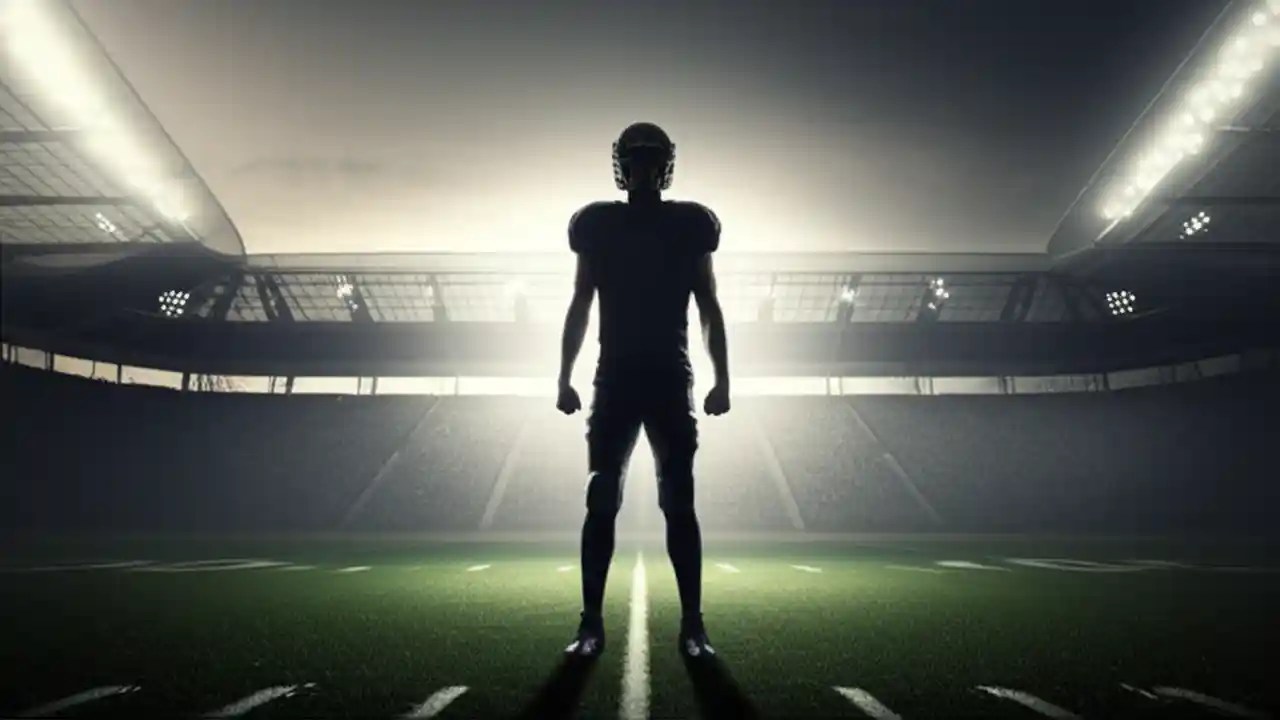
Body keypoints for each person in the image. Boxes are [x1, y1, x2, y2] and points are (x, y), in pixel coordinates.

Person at [555, 121, 730, 659]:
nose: (644, 170)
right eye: (637, 159)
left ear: (665, 164)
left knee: (679, 498)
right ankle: (590, 623)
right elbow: (581, 303)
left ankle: (693, 625)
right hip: (616, 376)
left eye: (652, 159)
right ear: (624, 165)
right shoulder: (601, 227)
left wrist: (724, 377)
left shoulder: (688, 228)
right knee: (601, 494)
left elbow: (708, 307)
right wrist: (562, 375)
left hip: (668, 375)